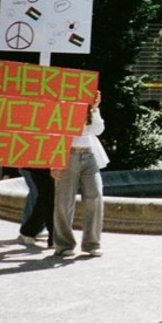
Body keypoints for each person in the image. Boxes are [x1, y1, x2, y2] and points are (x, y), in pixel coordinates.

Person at [51, 90, 109, 258]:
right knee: (64, 201)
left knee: (96, 196)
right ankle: (63, 244)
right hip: (67, 155)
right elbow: (54, 134)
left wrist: (95, 109)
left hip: (89, 155)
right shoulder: (61, 108)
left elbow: (98, 130)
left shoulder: (89, 110)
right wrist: (54, 163)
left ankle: (92, 243)